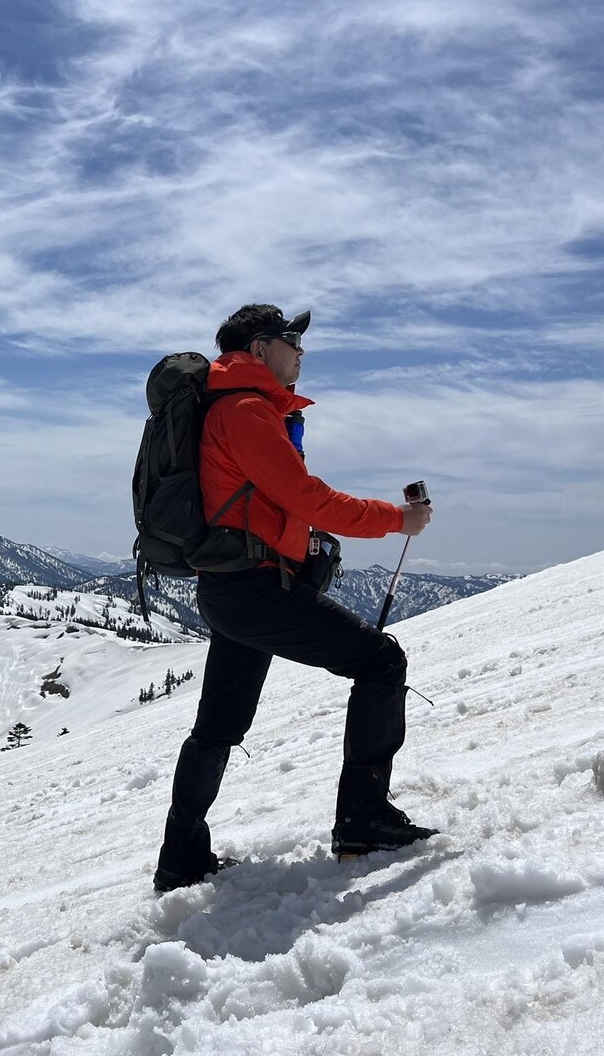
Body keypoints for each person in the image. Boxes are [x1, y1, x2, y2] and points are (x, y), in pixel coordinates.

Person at [153, 303, 436, 893]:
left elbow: (276, 502)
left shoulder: (224, 408)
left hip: (229, 587)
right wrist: (397, 519)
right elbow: (308, 496)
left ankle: (181, 859)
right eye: (292, 340)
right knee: (382, 662)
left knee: (216, 727)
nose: (301, 352)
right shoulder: (247, 410)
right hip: (256, 590)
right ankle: (365, 820)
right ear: (258, 349)